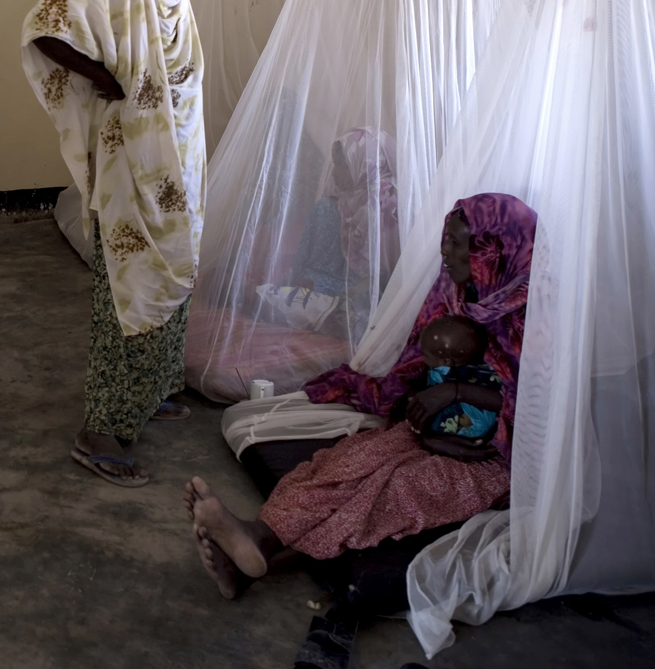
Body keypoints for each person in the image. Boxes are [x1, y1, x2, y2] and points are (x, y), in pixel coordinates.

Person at [183, 192, 534, 598]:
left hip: (494, 457)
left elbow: (535, 412)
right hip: (436, 428)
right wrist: (425, 419)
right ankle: (259, 533)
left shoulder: (534, 317)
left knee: (398, 489)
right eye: (446, 238)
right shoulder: (457, 292)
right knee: (344, 463)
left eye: (457, 243)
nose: (444, 252)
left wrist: (453, 392)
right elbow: (419, 363)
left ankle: (257, 561)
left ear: (492, 249)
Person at [22, 0, 209, 487]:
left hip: (176, 155)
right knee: (128, 285)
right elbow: (46, 23)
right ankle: (100, 427)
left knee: (172, 269)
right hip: (135, 158)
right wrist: (109, 82)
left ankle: (152, 390)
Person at [257, 127, 399, 345]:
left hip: (355, 300)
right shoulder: (336, 204)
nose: (334, 171)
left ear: (365, 164)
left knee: (265, 298)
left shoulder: (386, 208)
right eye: (336, 164)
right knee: (257, 293)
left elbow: (386, 275)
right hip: (320, 293)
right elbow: (301, 266)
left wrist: (341, 296)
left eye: (342, 165)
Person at [415, 314, 499, 445]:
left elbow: (427, 399)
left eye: (425, 355)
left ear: (446, 361)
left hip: (458, 425)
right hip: (486, 427)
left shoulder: (440, 372)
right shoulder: (489, 370)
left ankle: (446, 439)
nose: (423, 358)